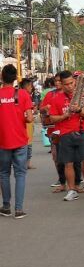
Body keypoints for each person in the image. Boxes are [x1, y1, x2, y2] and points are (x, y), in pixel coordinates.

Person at [42, 70, 84, 201]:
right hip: (65, 134)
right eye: (66, 84)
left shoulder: (83, 96)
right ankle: (72, 190)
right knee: (68, 163)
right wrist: (65, 116)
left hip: (82, 131)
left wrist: (78, 110)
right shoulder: (56, 98)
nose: (69, 86)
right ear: (62, 84)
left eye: (71, 83)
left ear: (75, 82)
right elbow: (52, 118)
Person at [1, 64, 33, 219]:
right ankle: (19, 209)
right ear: (15, 78)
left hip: (2, 141)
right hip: (20, 141)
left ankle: (6, 206)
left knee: (4, 173)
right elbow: (30, 118)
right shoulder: (23, 94)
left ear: (2, 77)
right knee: (20, 174)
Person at [18, 78, 35, 170]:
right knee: (27, 145)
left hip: (23, 123)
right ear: (27, 86)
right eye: (31, 86)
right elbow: (28, 115)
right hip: (26, 123)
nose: (32, 88)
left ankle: (25, 163)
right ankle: (26, 163)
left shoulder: (18, 94)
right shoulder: (25, 95)